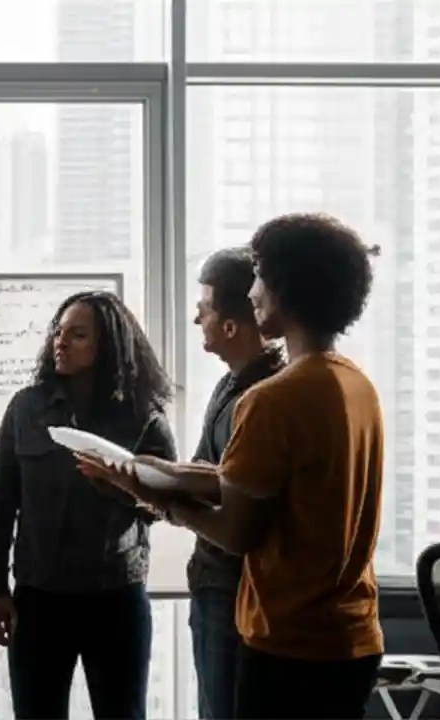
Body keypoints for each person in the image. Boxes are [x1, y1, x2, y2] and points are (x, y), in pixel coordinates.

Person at [85, 213, 384, 719]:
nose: (252, 293)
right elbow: (276, 487)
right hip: (352, 635)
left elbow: (237, 532)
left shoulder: (273, 400)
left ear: (287, 290)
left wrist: (157, 498)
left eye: (260, 277)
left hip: (288, 641)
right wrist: (172, 473)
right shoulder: (356, 384)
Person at [0, 290, 177, 720]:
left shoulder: (143, 416)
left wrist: (118, 485)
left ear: (108, 345)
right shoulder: (27, 408)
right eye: (58, 332)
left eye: (78, 334)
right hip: (39, 598)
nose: (61, 342)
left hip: (115, 596)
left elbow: (167, 506)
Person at [184, 247, 284, 719]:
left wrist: (163, 496)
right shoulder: (229, 385)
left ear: (229, 326)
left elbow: (234, 498)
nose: (195, 319)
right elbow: (206, 469)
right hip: (214, 582)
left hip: (237, 589)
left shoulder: (266, 396)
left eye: (203, 309)